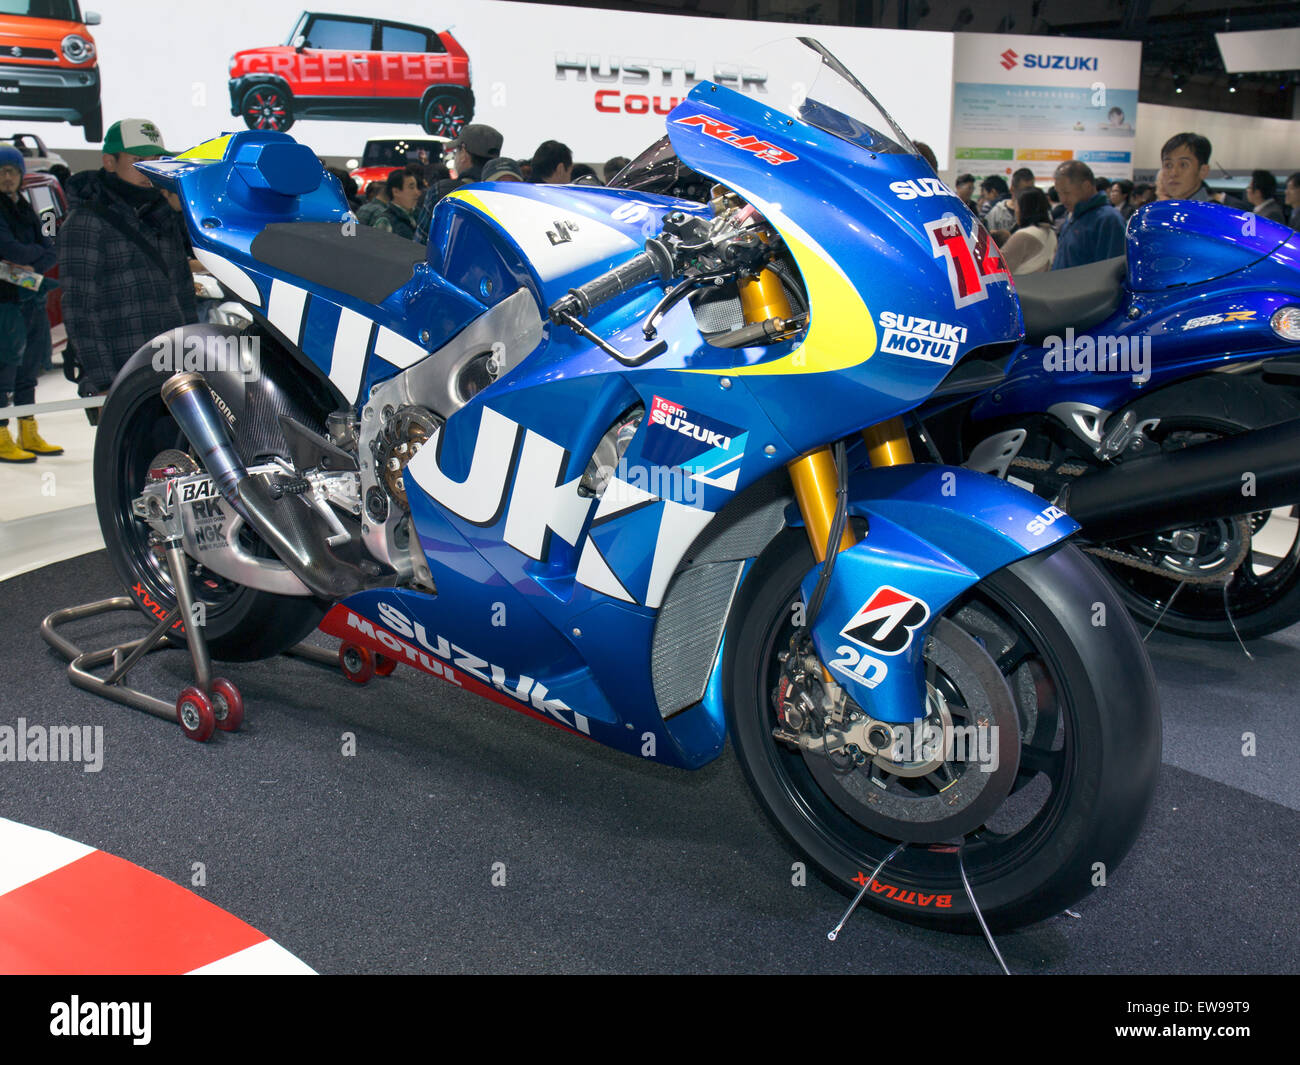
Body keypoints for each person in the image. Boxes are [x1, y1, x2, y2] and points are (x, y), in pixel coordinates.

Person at [56, 118, 196, 408]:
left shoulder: (162, 213)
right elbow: (80, 308)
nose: (150, 168)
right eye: (138, 160)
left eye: (156, 159)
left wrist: (191, 361)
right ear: (110, 162)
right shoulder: (86, 221)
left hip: (173, 368)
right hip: (125, 374)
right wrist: (105, 380)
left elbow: (183, 290)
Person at [0, 144, 59, 461]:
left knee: (29, 367)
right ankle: (1, 435)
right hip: (4, 302)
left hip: (30, 297)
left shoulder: (25, 206)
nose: (6, 177)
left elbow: (49, 247)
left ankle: (28, 429)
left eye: (11, 171)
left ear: (21, 175)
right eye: (1, 172)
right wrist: (32, 257)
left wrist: (31, 263)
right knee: (4, 368)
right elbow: (8, 246)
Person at [414, 123, 503, 243]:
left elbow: (420, 245)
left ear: (464, 154)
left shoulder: (442, 192)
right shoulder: (505, 196)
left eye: (457, 151)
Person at [1052, 159, 1126, 269]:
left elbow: (1111, 272)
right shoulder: (1073, 215)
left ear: (1086, 186)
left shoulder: (1108, 219)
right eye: (1059, 193)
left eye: (1066, 193)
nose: (1062, 199)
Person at [999, 187, 1057, 275]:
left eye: (1017, 206)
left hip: (1020, 286)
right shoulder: (1052, 233)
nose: (1015, 210)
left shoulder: (1023, 236)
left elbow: (998, 268)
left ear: (1024, 208)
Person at [1156, 132, 1215, 202]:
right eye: (1168, 165)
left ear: (1203, 171)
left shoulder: (1215, 212)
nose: (1173, 173)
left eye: (1183, 165)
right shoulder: (1160, 209)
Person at [372, 167, 422, 240]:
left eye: (416, 187)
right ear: (396, 191)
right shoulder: (385, 221)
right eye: (411, 187)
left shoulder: (419, 215)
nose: (417, 193)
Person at [986, 168, 1034, 233]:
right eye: (1024, 190)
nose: (1029, 194)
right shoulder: (996, 213)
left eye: (1031, 189)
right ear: (1012, 189)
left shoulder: (1037, 212)